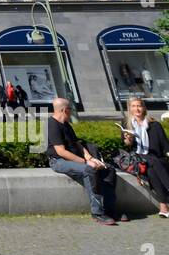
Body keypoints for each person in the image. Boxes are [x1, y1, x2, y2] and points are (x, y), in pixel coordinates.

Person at [46, 97, 124, 226]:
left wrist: (92, 159)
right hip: (59, 161)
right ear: (64, 110)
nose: (71, 112)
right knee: (90, 170)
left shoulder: (66, 124)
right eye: (70, 109)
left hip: (76, 159)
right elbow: (61, 151)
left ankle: (110, 210)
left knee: (109, 169)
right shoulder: (51, 125)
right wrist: (85, 162)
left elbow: (78, 145)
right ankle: (97, 213)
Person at [123, 97, 169, 217]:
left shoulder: (155, 125)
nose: (137, 109)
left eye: (139, 105)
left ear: (144, 107)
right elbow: (127, 145)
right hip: (138, 159)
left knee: (152, 168)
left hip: (156, 161)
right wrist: (128, 138)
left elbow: (167, 147)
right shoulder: (127, 124)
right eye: (133, 106)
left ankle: (164, 207)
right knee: (152, 162)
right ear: (129, 109)